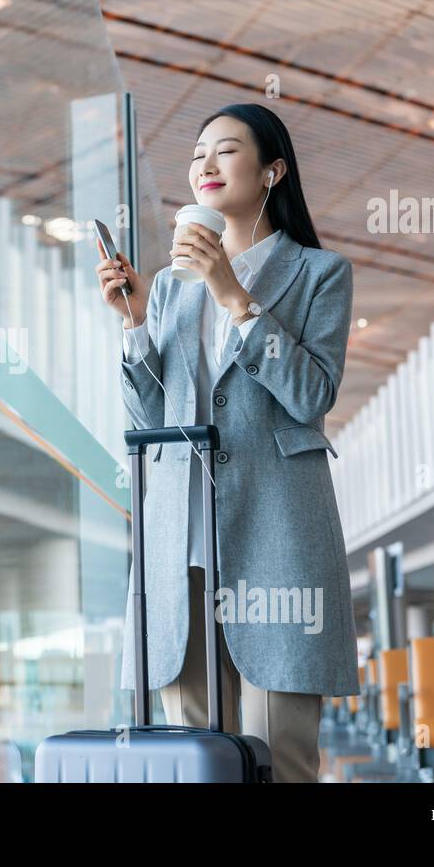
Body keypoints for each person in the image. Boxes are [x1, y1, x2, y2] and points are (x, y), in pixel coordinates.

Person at [95, 103, 359, 782]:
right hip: (180, 542)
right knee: (194, 758)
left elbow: (312, 396)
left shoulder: (319, 275)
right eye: (196, 154)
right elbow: (151, 413)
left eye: (226, 150)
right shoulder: (167, 292)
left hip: (277, 539)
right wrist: (132, 325)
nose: (204, 165)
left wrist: (232, 291)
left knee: (283, 757)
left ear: (274, 170)